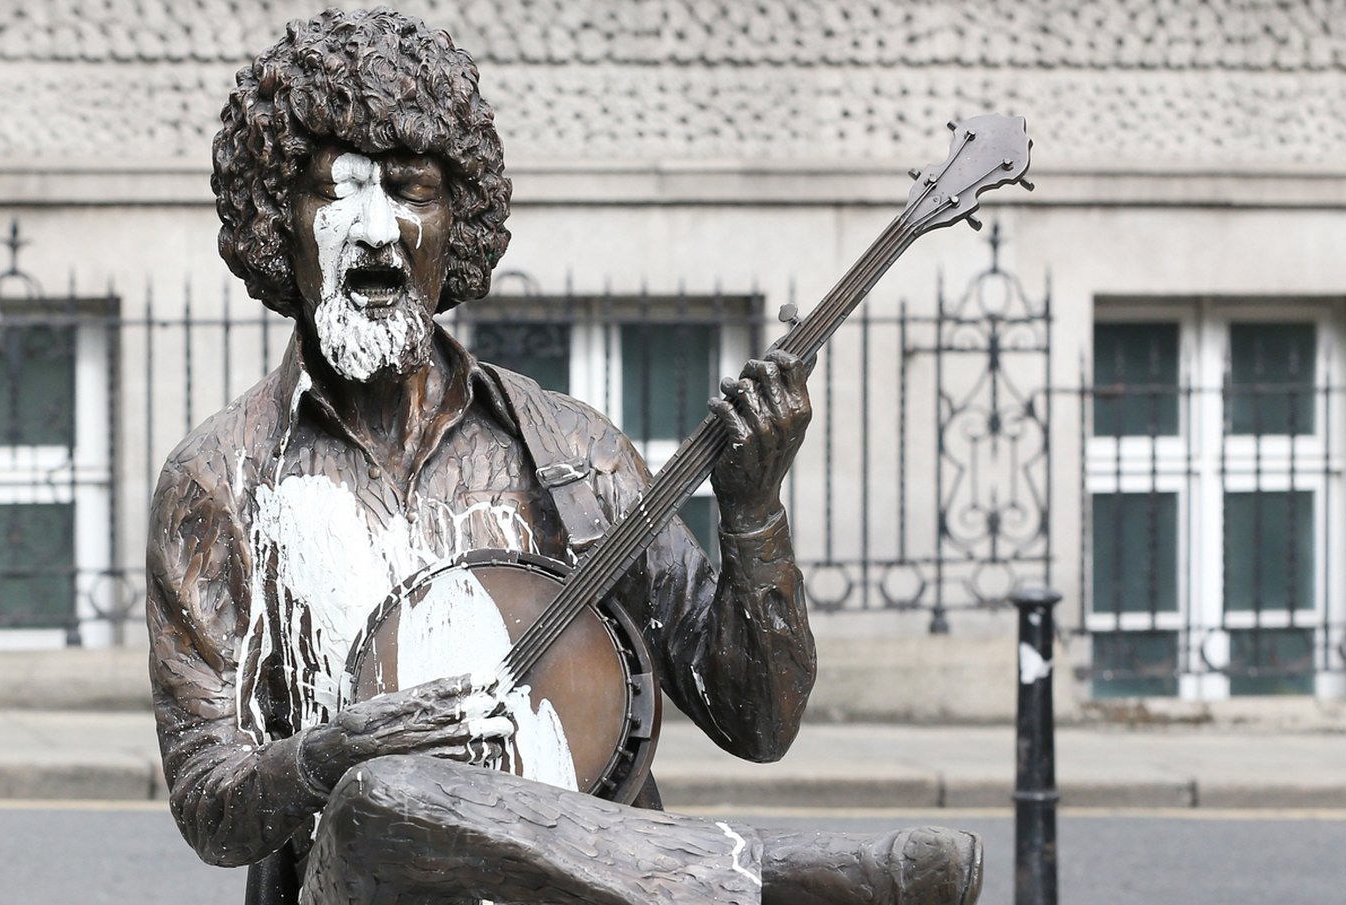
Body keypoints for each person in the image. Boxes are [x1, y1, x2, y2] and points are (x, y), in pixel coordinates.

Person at [148, 8, 982, 905]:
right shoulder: (219, 482)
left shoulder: (572, 453)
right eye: (337, 189)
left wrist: (753, 511)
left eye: (409, 187)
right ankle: (771, 877)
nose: (376, 228)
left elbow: (759, 720)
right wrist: (331, 754)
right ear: (282, 216)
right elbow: (209, 805)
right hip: (356, 884)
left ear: (455, 220)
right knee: (380, 794)